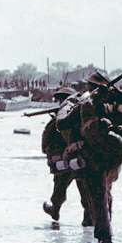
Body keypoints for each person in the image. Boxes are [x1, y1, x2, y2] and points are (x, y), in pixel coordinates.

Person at [56, 72, 122, 243]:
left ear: (92, 86)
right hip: (115, 157)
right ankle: (104, 234)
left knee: (98, 198)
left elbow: (66, 125)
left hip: (94, 156)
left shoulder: (89, 103)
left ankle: (105, 241)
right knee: (106, 193)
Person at [41, 85, 92, 226]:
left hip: (67, 159)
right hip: (81, 157)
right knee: (84, 188)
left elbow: (46, 139)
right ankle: (88, 218)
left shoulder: (60, 119)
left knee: (60, 187)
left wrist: (49, 153)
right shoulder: (82, 115)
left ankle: (55, 209)